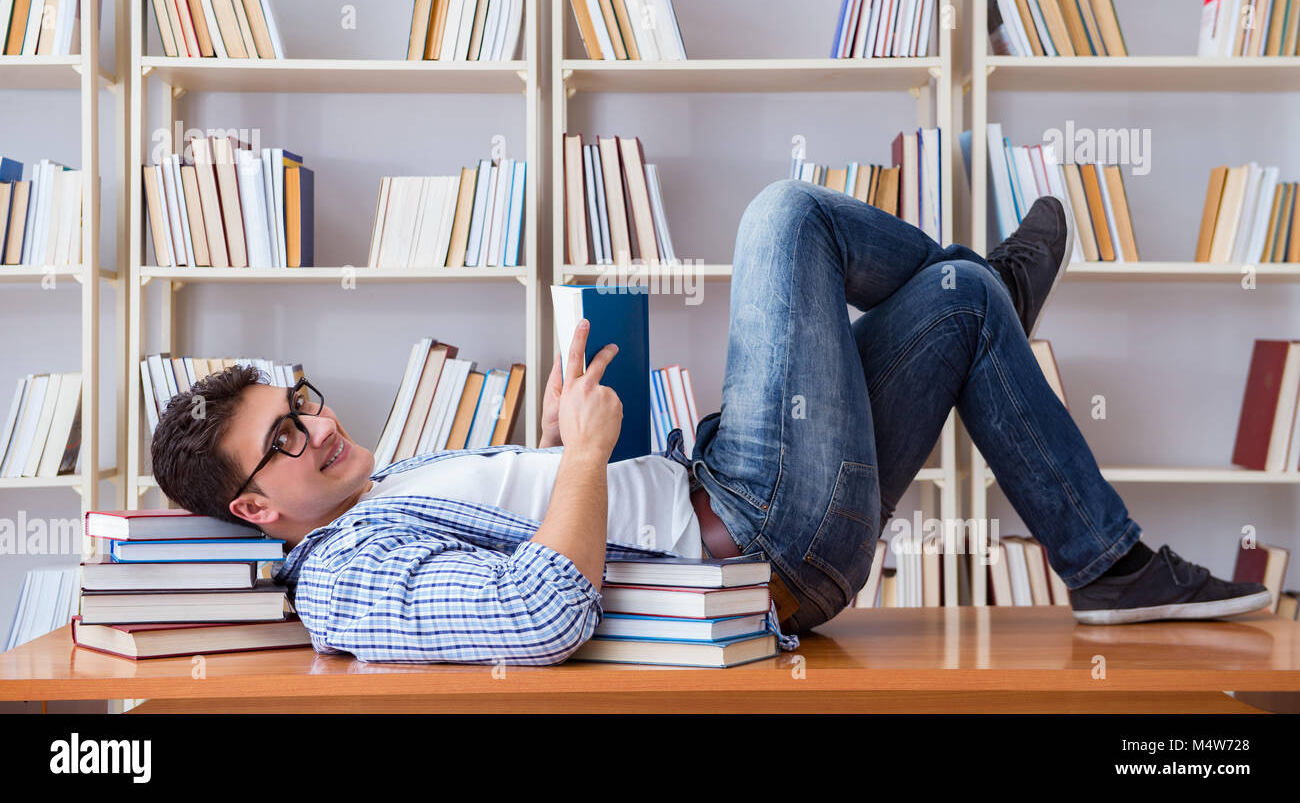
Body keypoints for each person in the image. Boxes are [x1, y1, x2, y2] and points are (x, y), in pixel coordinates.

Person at [151, 180, 1270, 665]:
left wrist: (563, 445)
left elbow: (557, 521)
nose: (316, 427)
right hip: (750, 535)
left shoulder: (395, 480)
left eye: (298, 402)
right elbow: (538, 616)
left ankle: (1109, 565)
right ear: (255, 507)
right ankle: (991, 292)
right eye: (282, 439)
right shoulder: (345, 573)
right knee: (782, 218)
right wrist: (584, 456)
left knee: (956, 308)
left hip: (735, 493)